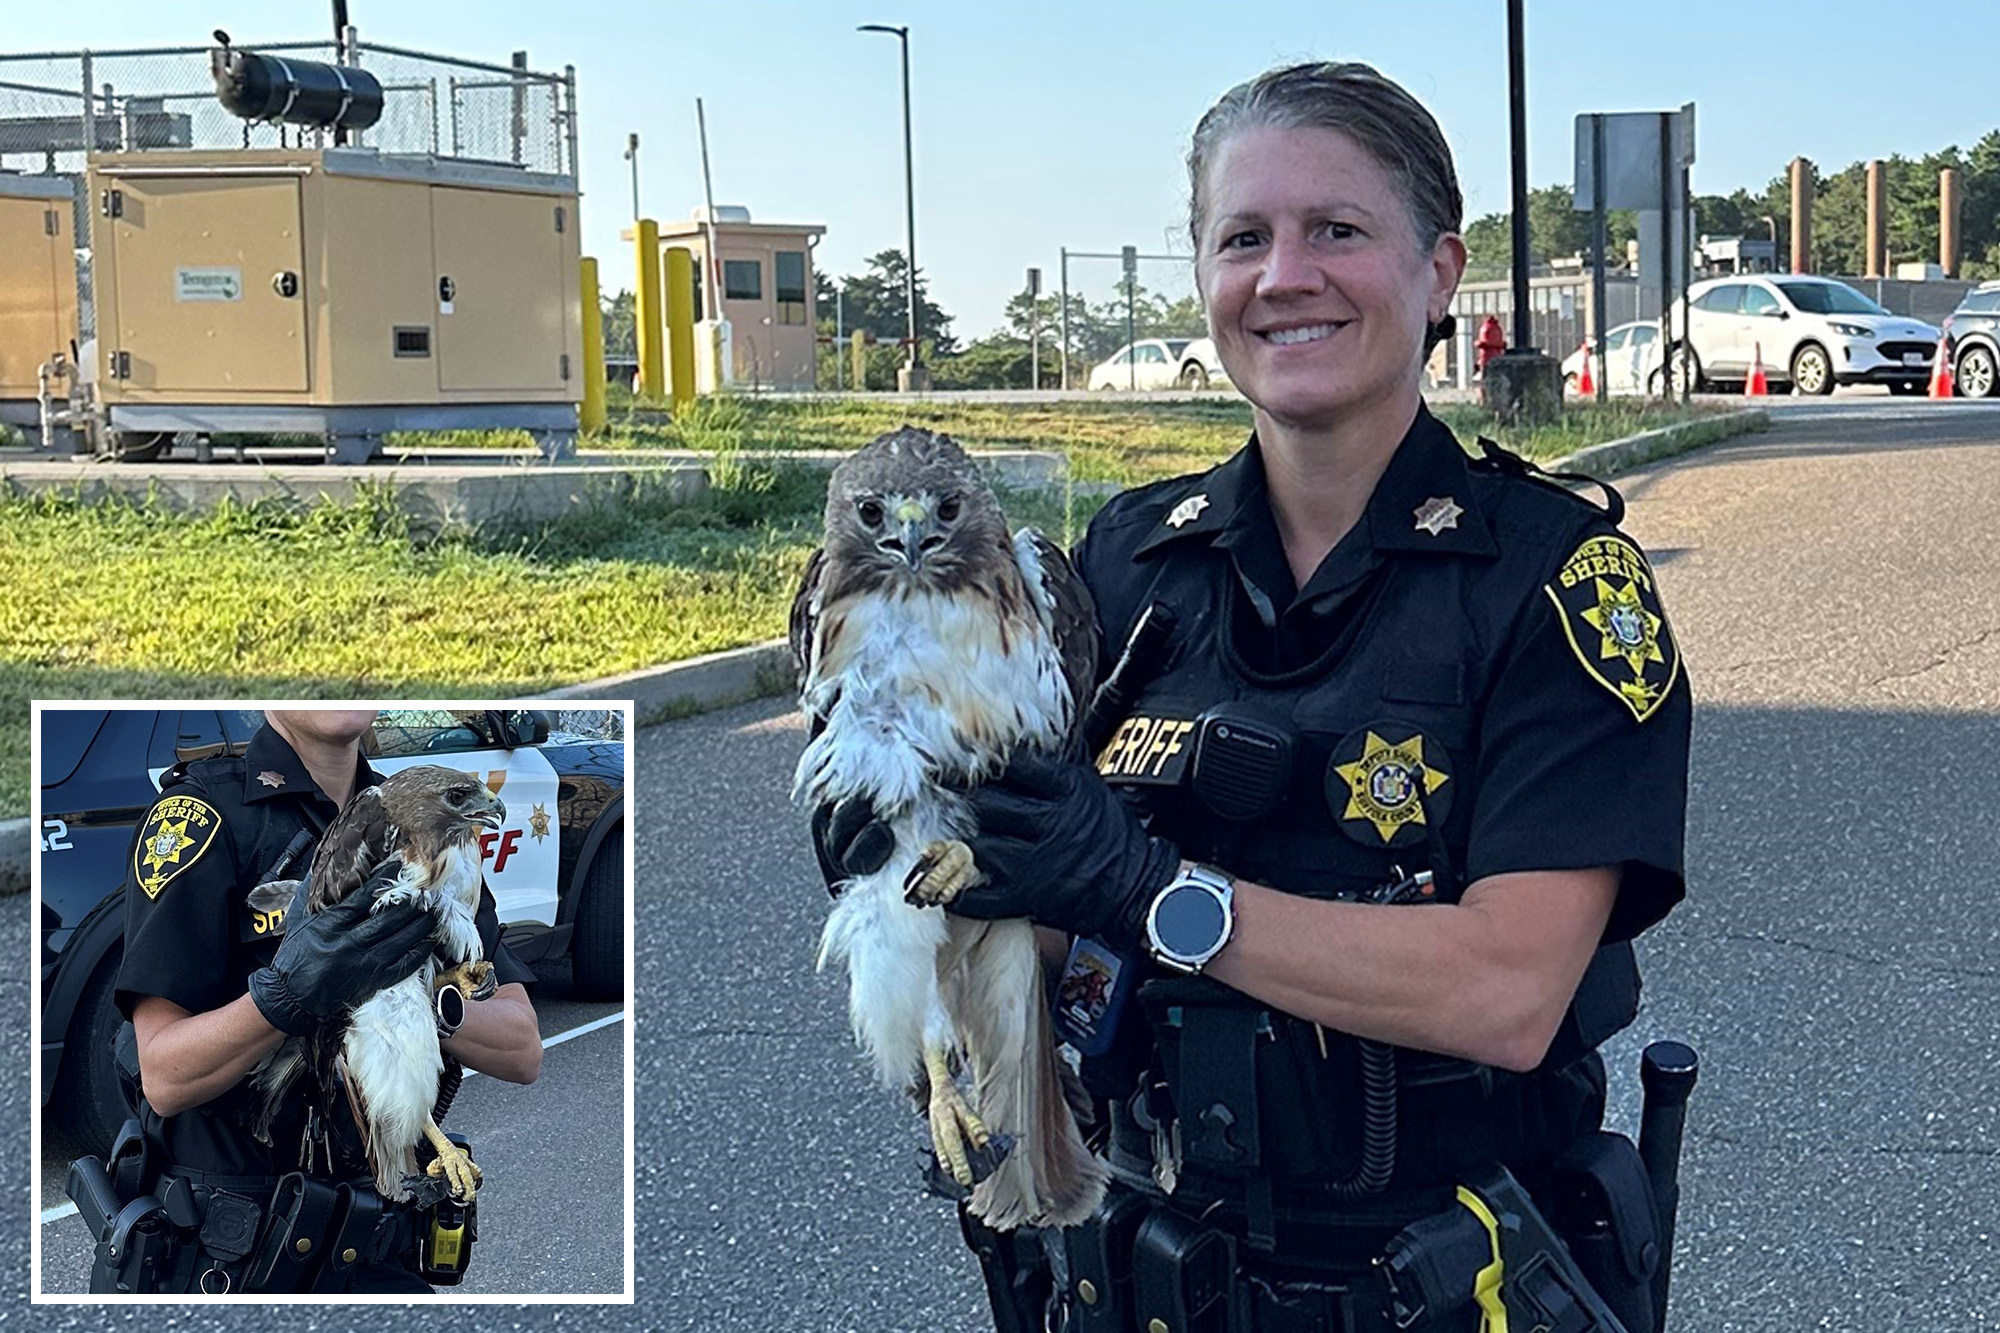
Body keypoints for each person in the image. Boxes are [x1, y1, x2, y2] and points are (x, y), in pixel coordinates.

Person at [821, 62, 1690, 1333]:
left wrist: (1150, 893)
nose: (1284, 274)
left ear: (1439, 272)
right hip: (1141, 1266)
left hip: (1440, 1288)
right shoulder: (1119, 563)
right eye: (1243, 238)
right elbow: (1048, 918)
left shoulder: (1555, 582)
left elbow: (1506, 992)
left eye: (1335, 229)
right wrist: (923, 875)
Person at [101, 708, 542, 1294]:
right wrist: (288, 997)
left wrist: (408, 993)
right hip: (233, 1251)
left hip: (382, 1236)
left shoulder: (430, 813)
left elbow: (523, 1050)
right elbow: (164, 1075)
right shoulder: (200, 819)